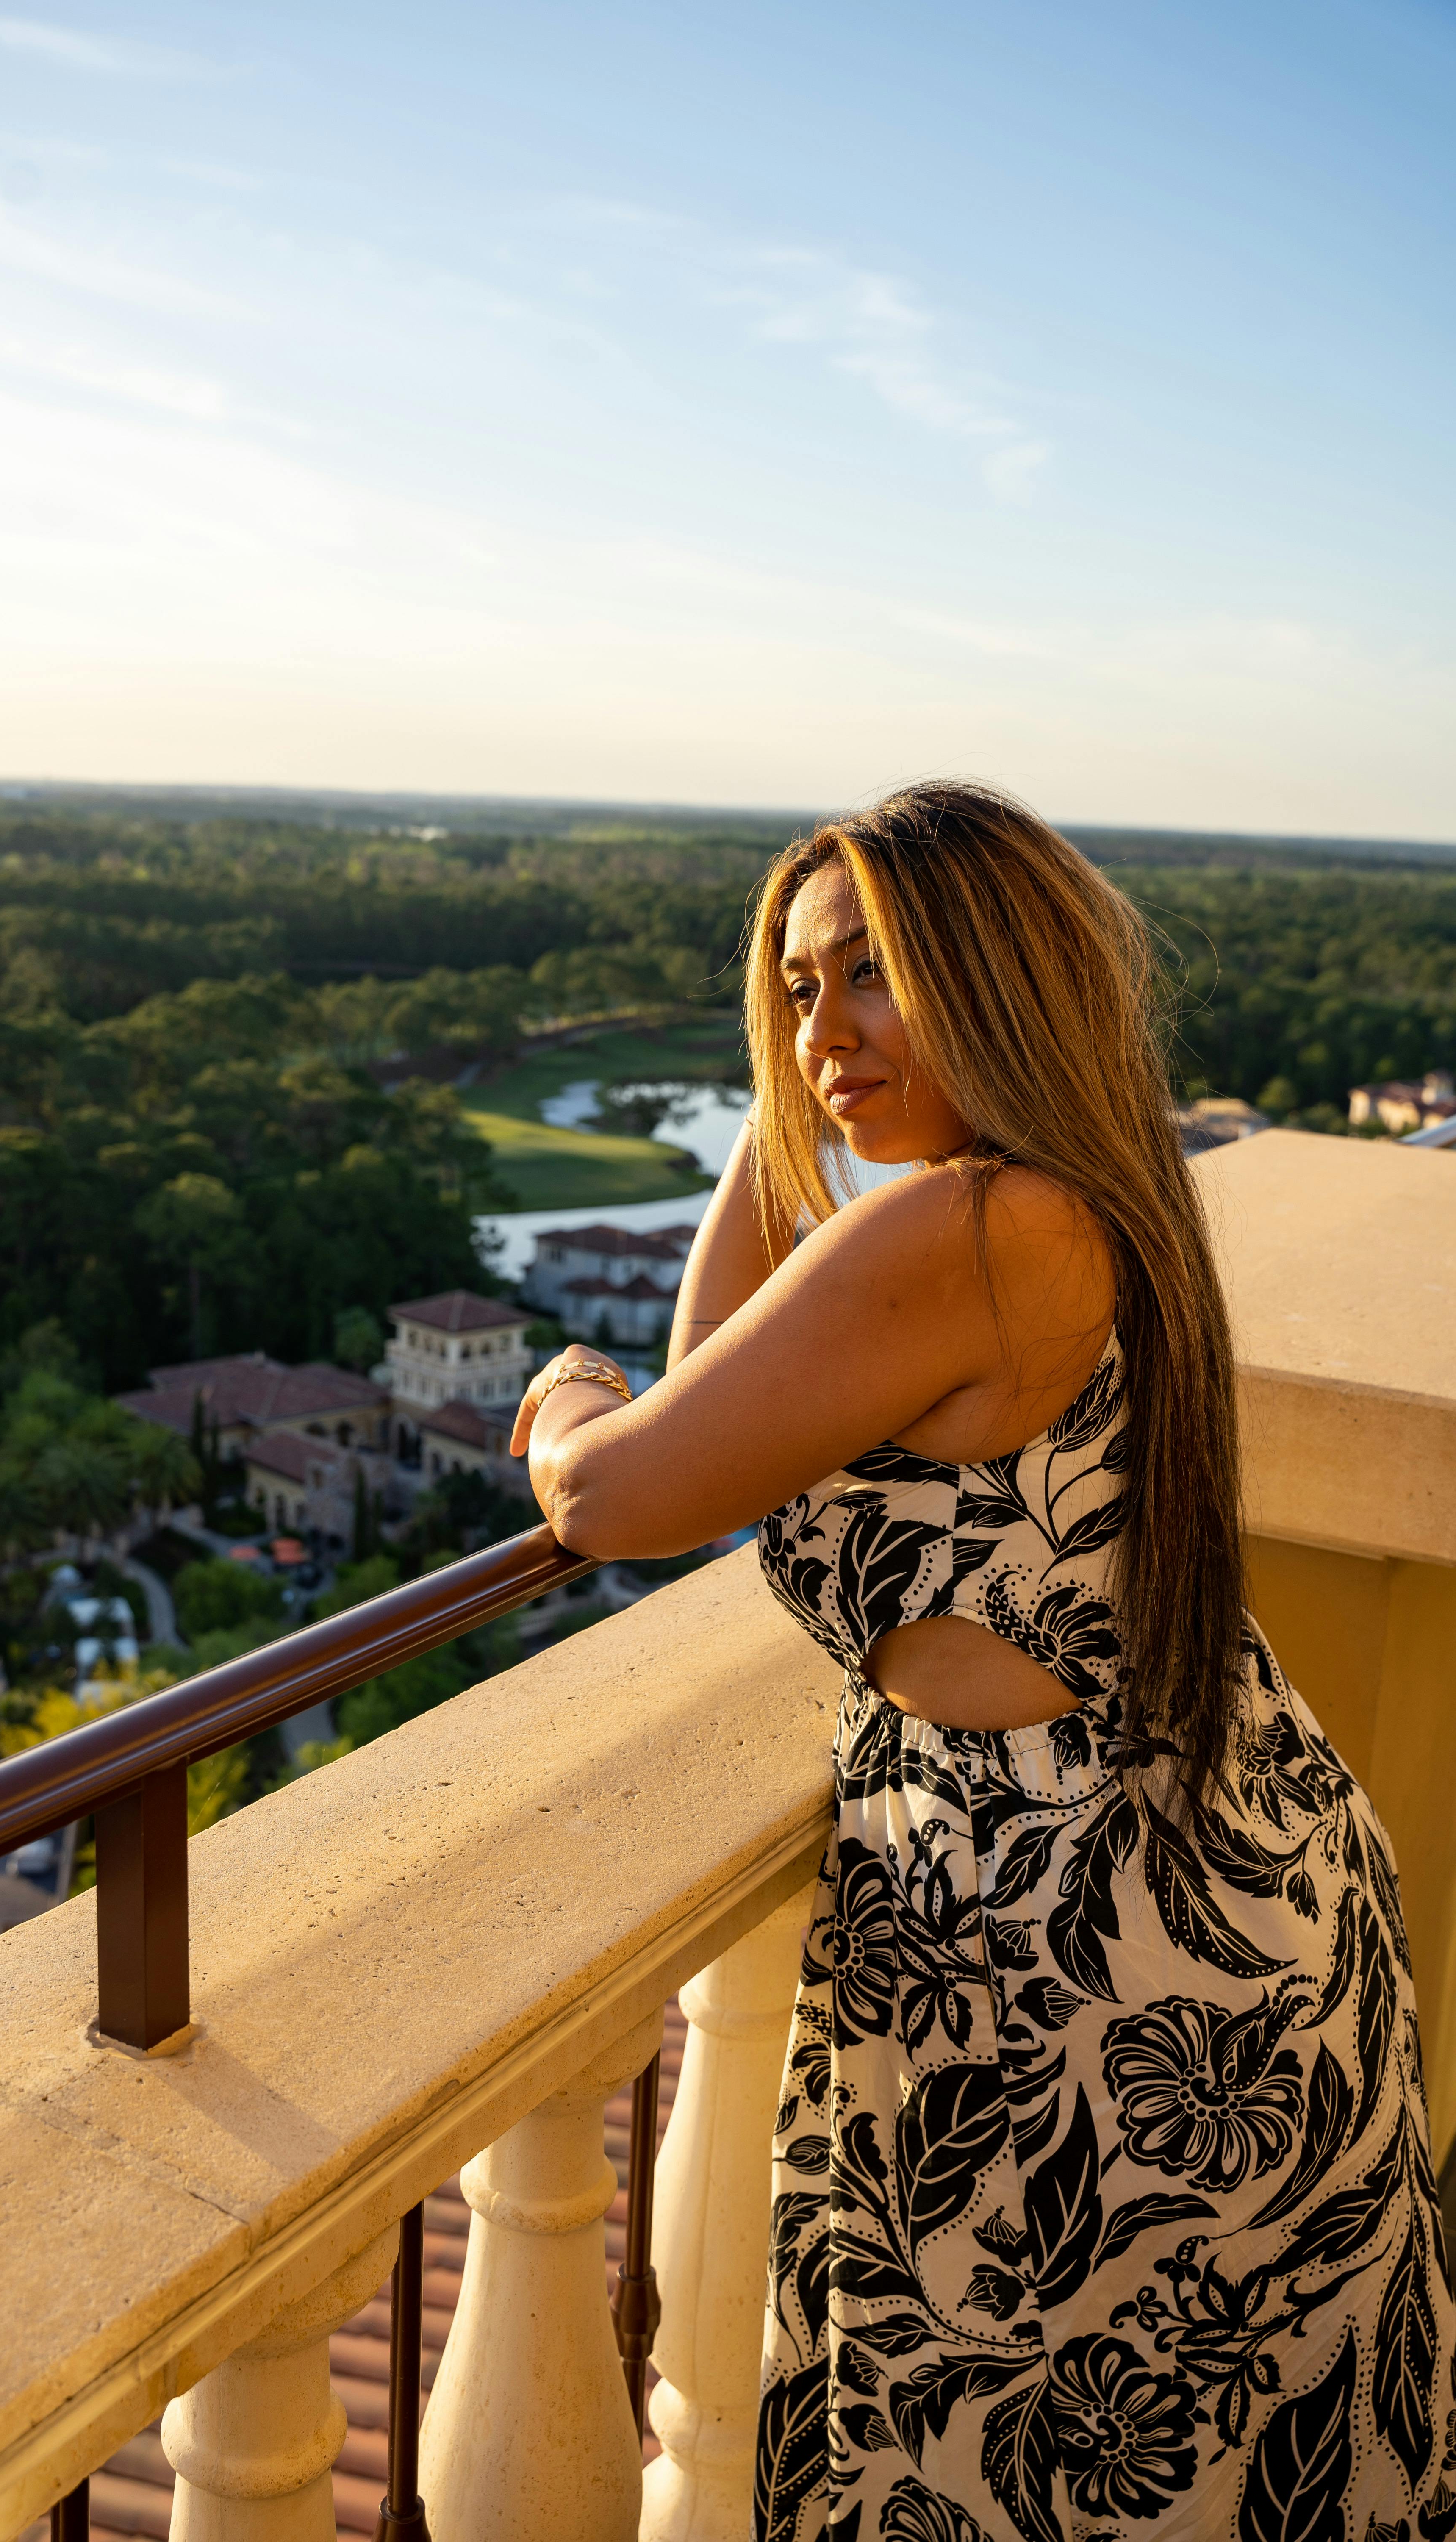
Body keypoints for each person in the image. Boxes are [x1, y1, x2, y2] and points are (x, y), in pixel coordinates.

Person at [510, 780, 1456, 2541]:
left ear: (997, 973)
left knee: (1026, 2469)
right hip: (1200, 1878)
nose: (819, 1031)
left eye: (872, 974)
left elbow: (618, 1489)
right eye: (794, 990)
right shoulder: (1095, 1199)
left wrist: (568, 1387)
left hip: (1080, 1959)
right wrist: (793, 1098)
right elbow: (730, 1381)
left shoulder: (956, 1232)